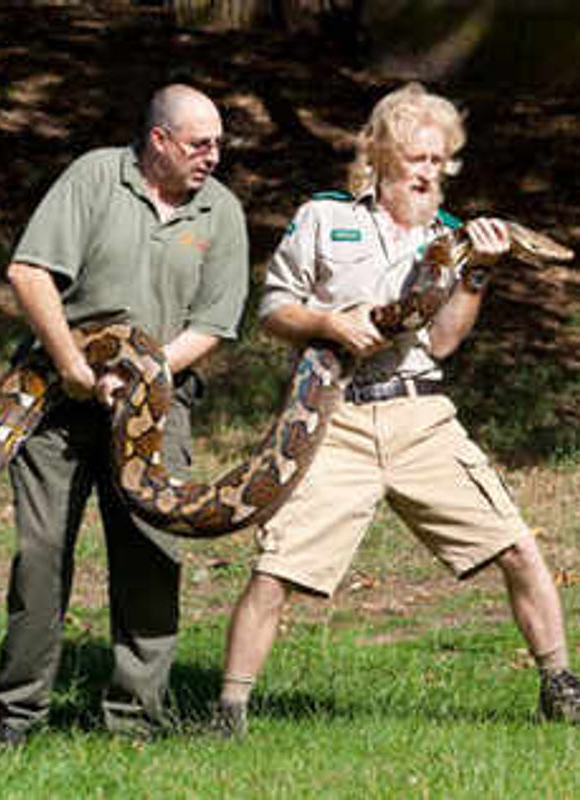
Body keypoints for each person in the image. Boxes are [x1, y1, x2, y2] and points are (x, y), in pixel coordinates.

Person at [208, 82, 580, 737]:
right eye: (416, 158)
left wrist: (478, 273)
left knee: (519, 548)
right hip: (335, 419)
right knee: (276, 570)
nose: (428, 173)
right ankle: (228, 712)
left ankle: (560, 687)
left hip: (420, 415)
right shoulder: (323, 217)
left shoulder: (451, 238)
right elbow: (272, 310)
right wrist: (329, 322)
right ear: (379, 154)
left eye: (439, 161)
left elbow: (440, 341)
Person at [0, 84, 250, 743]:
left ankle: (136, 720)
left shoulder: (221, 212)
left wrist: (140, 375)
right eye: (199, 144)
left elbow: (213, 326)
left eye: (219, 143)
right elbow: (29, 273)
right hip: (55, 397)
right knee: (41, 554)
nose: (213, 157)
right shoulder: (95, 177)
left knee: (150, 555)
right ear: (157, 140)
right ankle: (18, 715)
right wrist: (77, 370)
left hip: (159, 402)